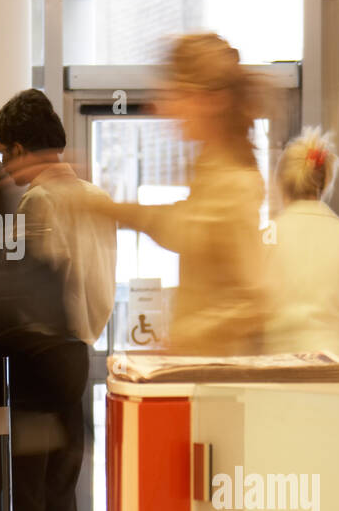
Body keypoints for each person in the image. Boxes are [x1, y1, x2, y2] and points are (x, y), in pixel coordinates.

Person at [0, 88, 116, 511]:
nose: (5, 171)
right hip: (82, 358)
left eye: (3, 157)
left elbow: (27, 295)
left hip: (40, 367)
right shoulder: (96, 197)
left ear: (18, 148)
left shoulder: (36, 203)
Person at [92, 32, 270, 355]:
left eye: (178, 93)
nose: (165, 106)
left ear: (212, 100)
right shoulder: (209, 171)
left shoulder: (235, 182)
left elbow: (253, 299)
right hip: (205, 378)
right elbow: (180, 225)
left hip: (221, 382)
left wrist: (186, 339)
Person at [264, 130, 339, 357]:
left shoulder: (264, 239)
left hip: (271, 376)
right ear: (325, 182)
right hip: (333, 378)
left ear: (280, 183)